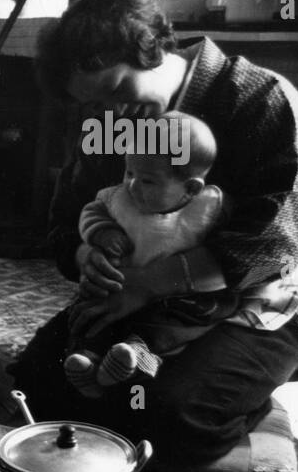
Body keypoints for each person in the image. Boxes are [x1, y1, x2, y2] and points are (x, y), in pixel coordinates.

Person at [10, 0, 298, 467]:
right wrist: (87, 255)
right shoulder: (116, 122)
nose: (116, 115)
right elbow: (64, 220)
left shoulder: (262, 100)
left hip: (257, 296)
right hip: (144, 301)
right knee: (36, 384)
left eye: (118, 90)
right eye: (98, 106)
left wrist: (147, 284)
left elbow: (270, 245)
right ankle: (197, 385)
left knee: (174, 417)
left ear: (150, 47)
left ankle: (262, 406)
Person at [63, 111, 238, 395]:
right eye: (129, 172)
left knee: (174, 321)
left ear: (191, 188)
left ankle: (137, 355)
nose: (131, 185)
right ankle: (89, 361)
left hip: (177, 294)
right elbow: (91, 213)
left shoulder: (209, 208)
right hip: (119, 283)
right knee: (87, 312)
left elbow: (236, 244)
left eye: (147, 181)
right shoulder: (117, 198)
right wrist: (103, 233)